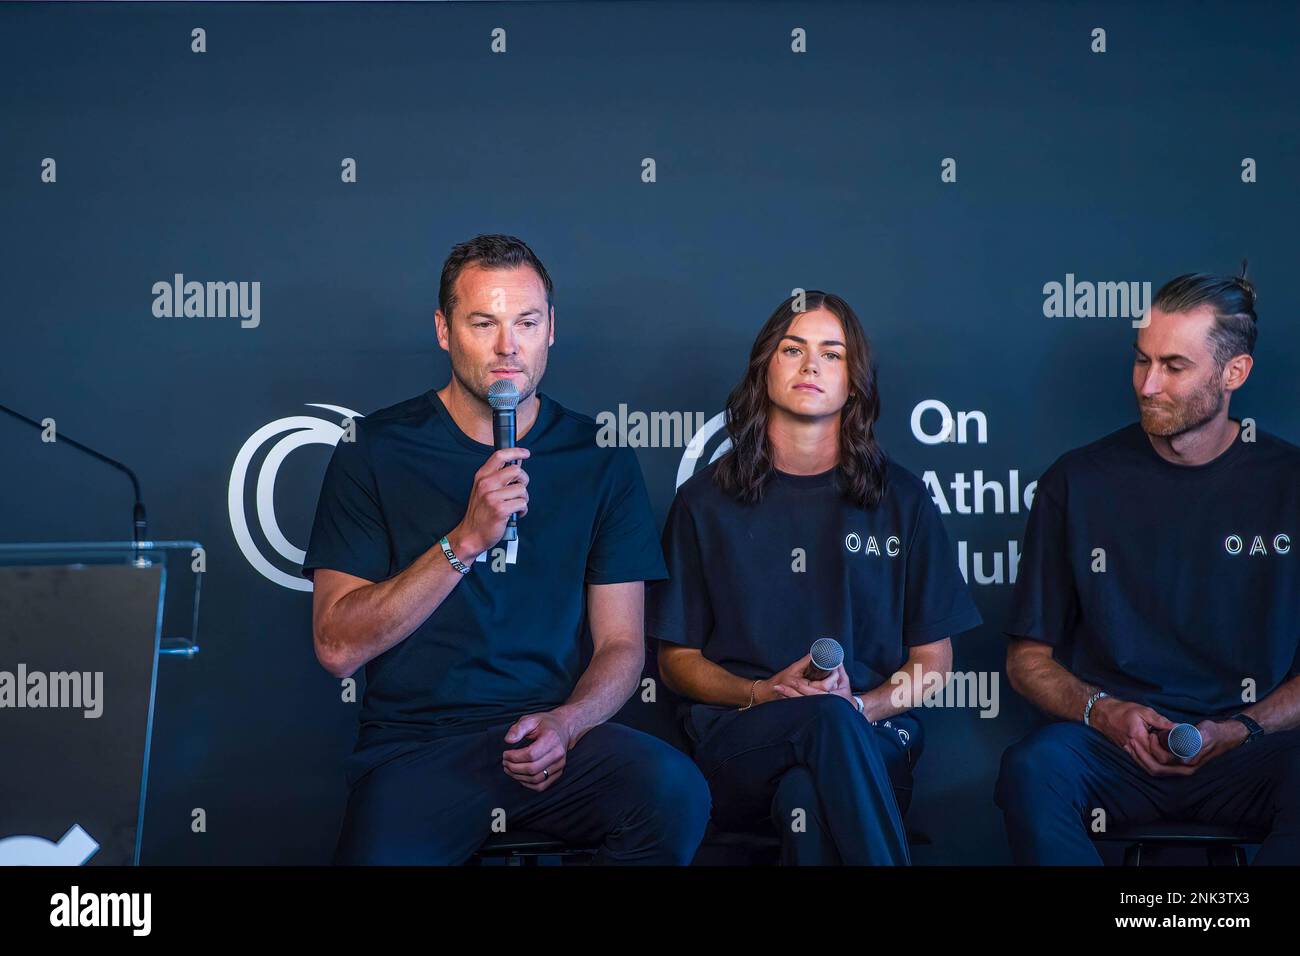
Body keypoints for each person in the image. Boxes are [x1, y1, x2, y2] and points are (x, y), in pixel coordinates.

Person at [303, 233, 710, 864]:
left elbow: (623, 646)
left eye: (525, 321)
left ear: (551, 328)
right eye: (483, 322)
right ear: (444, 330)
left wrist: (567, 724)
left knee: (674, 792)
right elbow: (335, 647)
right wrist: (465, 539)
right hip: (418, 747)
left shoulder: (599, 456)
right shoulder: (374, 449)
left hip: (553, 740)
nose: (506, 347)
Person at [647, 291, 982, 865]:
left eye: (832, 353)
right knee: (819, 725)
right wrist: (761, 693)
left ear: (854, 380)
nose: (810, 366)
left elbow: (934, 661)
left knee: (810, 793)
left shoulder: (902, 499)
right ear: (765, 368)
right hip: (742, 738)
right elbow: (676, 661)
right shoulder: (704, 503)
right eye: (793, 349)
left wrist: (863, 708)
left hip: (871, 736)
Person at [996, 266, 1300, 864]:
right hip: (1113, 752)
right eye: (1142, 360)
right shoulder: (1077, 481)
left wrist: (1240, 727)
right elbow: (1027, 660)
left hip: (1250, 749)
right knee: (1033, 769)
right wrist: (1103, 711)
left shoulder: (1290, 484)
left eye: (1175, 366)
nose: (1147, 384)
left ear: (1233, 373)